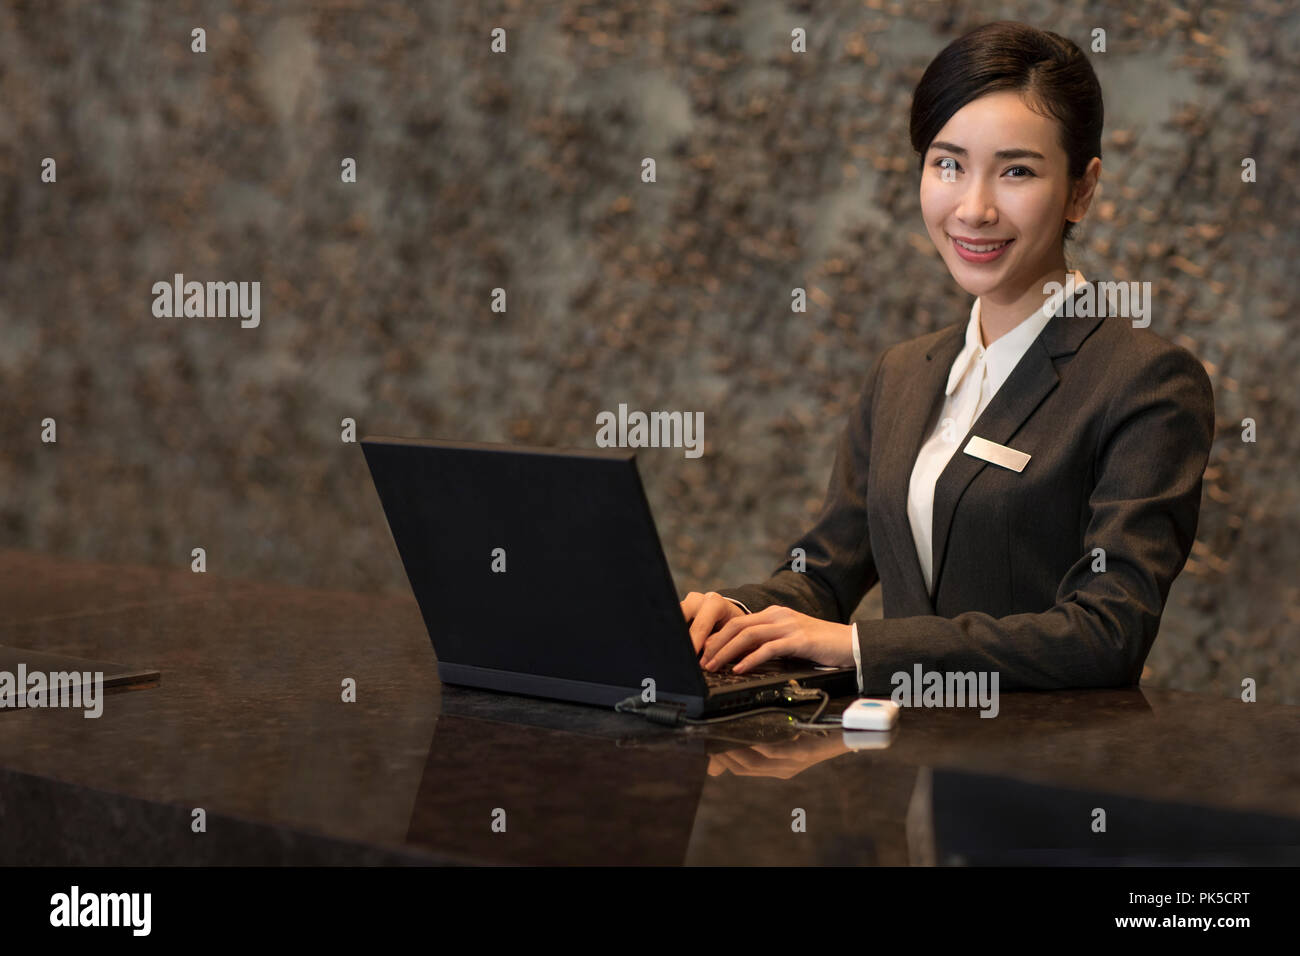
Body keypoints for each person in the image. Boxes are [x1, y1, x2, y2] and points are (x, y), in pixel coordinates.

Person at [680, 21, 1215, 695]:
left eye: (1016, 171)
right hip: (908, 776)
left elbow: (1108, 632)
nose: (974, 207)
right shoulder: (902, 375)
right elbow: (822, 575)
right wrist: (736, 613)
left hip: (1048, 781)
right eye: (948, 164)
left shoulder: (1145, 382)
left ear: (1083, 189)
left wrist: (857, 648)